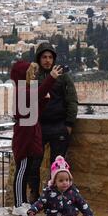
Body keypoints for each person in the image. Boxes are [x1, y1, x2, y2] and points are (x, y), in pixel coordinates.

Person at [10, 60, 62, 216]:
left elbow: (35, 110)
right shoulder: (20, 90)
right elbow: (37, 94)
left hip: (30, 131)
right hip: (24, 133)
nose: (33, 75)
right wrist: (51, 78)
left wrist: (45, 100)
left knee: (27, 168)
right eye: (30, 72)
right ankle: (18, 204)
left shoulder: (25, 89)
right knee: (22, 168)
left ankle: (23, 201)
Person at [28, 42, 79, 202]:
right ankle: (34, 195)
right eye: (44, 57)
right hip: (39, 127)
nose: (47, 60)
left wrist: (69, 124)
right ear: (39, 58)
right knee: (34, 163)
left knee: (57, 166)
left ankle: (55, 198)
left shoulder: (63, 76)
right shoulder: (33, 77)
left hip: (58, 126)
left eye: (50, 57)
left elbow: (72, 100)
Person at [27, 156, 94, 216]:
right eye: (61, 180)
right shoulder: (49, 193)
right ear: (54, 182)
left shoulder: (73, 192)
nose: (65, 183)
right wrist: (33, 209)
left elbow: (83, 204)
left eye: (67, 180)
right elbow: (41, 202)